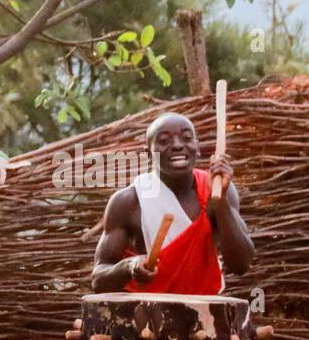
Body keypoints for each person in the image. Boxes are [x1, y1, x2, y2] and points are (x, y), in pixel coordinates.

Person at [92, 111, 253, 293]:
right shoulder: (129, 202)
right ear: (149, 154)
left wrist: (221, 201)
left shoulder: (218, 191)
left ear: (197, 147)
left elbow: (242, 265)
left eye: (186, 138)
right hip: (147, 313)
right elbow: (98, 279)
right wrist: (129, 266)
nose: (177, 145)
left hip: (205, 310)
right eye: (164, 140)